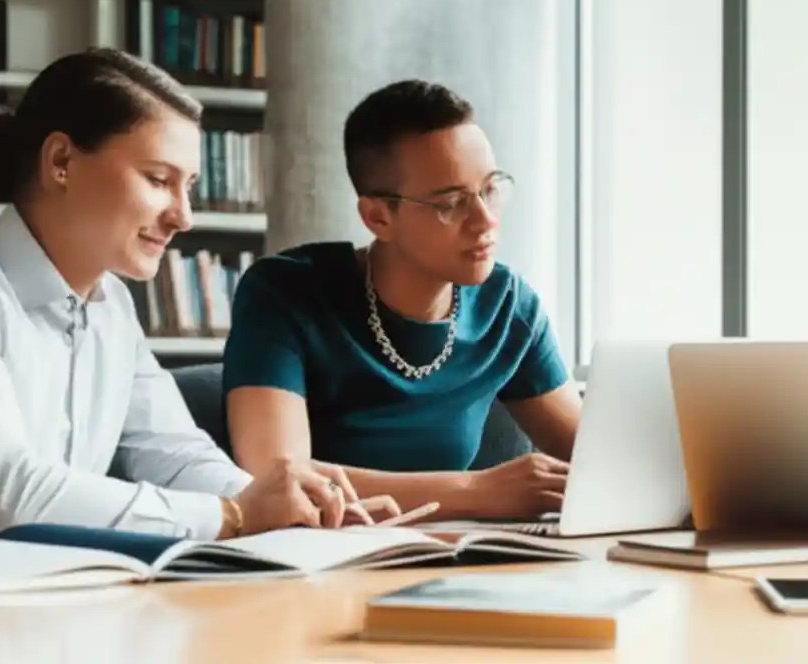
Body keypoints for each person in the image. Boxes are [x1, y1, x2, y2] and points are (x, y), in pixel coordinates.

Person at [0, 49, 392, 544]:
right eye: (159, 180)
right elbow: (4, 497)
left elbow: (173, 454)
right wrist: (235, 515)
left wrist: (288, 508)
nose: (184, 216)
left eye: (190, 187)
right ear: (61, 162)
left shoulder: (109, 302)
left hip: (44, 596)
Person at [223, 80, 580, 521]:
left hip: (456, 561)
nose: (484, 220)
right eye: (451, 203)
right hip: (320, 567)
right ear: (377, 216)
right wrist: (475, 490)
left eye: (489, 190)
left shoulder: (507, 306)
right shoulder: (284, 292)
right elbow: (280, 478)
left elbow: (598, 462)